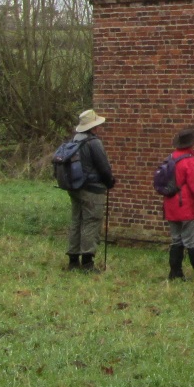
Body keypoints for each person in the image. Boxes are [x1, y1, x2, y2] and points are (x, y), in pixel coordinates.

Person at [65, 109, 116, 273]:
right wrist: (110, 182)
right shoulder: (94, 142)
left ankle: (73, 260)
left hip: (75, 187)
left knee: (76, 221)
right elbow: (104, 167)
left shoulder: (74, 140)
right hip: (92, 188)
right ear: (94, 127)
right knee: (91, 222)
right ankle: (87, 263)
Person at [162, 129, 194, 280]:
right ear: (192, 143)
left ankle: (175, 272)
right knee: (192, 241)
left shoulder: (170, 158)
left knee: (176, 240)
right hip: (187, 208)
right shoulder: (190, 161)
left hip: (171, 206)